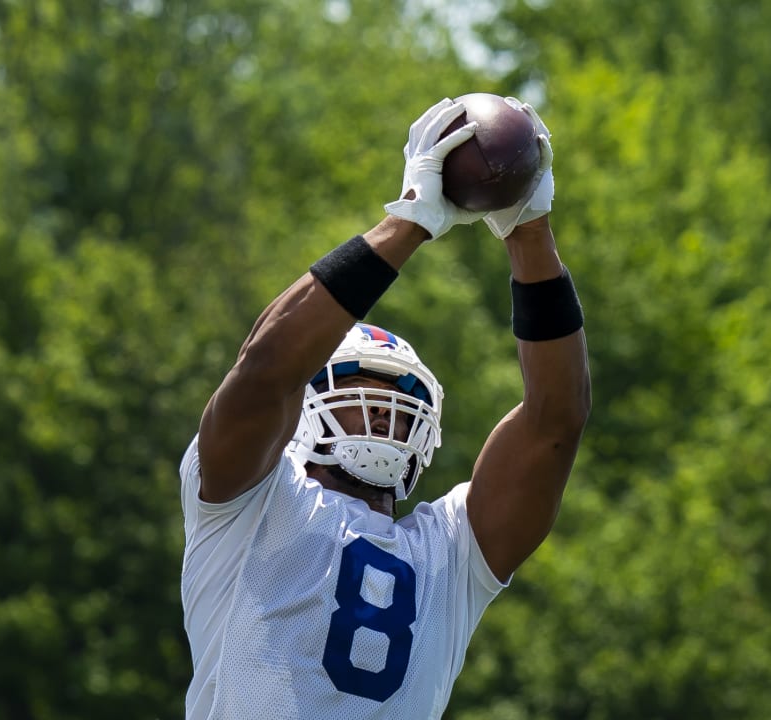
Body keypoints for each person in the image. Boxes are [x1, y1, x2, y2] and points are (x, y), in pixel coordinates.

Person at [177, 96, 591, 719]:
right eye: (360, 389)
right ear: (310, 403)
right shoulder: (251, 503)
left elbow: (555, 419)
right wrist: (409, 223)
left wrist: (529, 232)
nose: (382, 414)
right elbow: (264, 371)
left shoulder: (450, 554)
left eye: (404, 403)